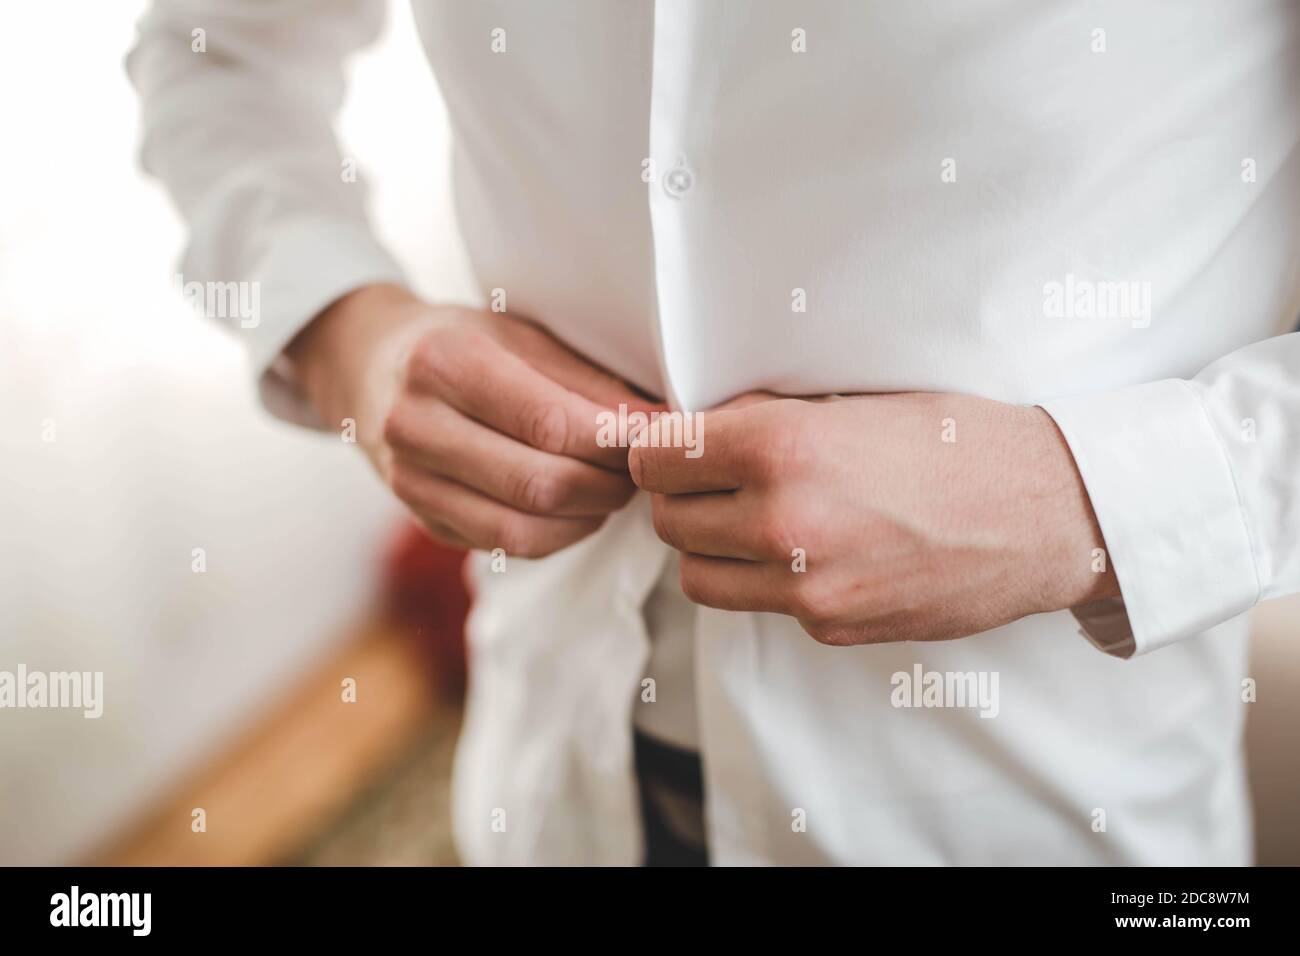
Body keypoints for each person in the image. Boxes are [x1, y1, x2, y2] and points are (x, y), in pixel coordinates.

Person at [128, 0, 1300, 865]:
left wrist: (1083, 506)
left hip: (1046, 811)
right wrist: (348, 332)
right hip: (552, 784)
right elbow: (213, 47)